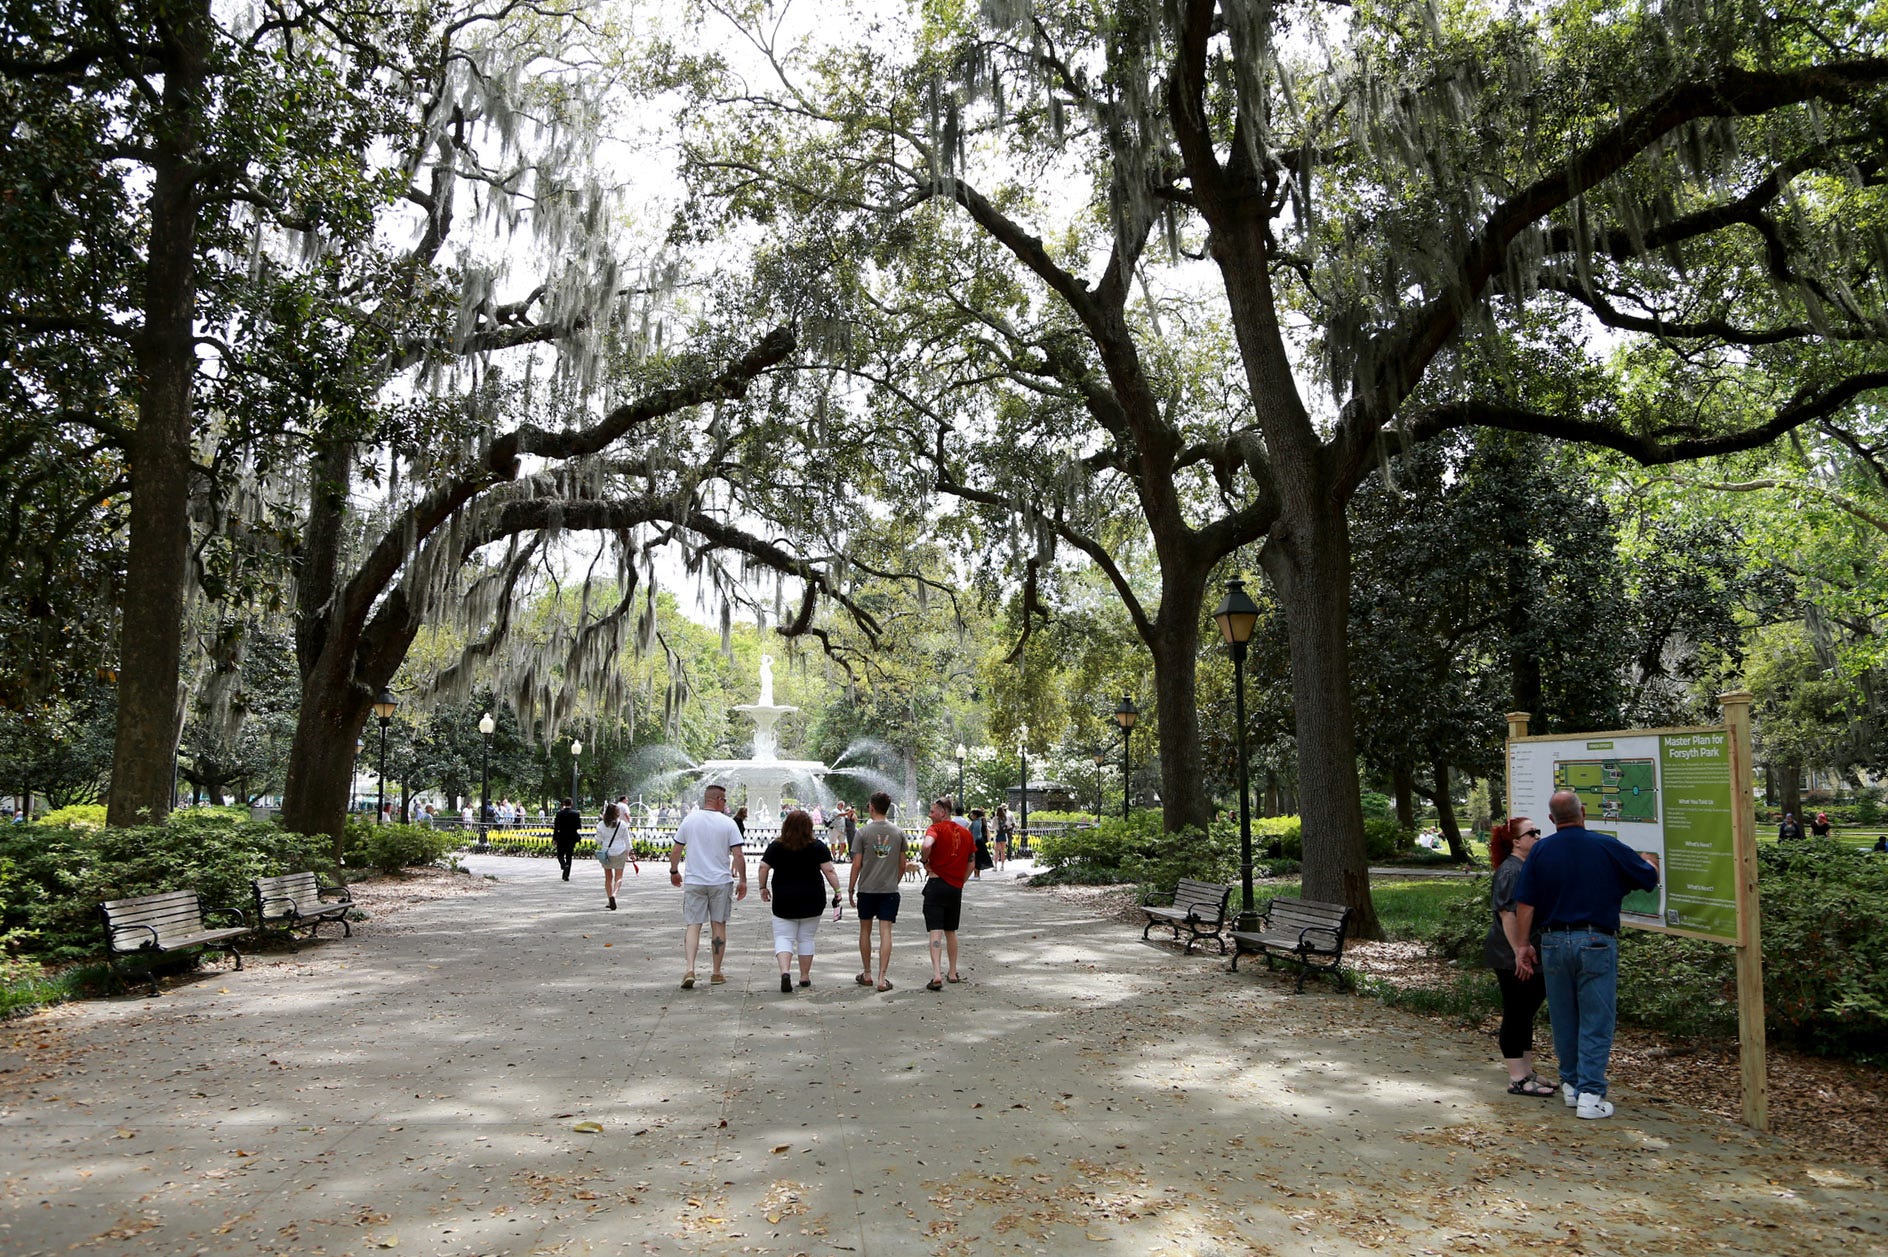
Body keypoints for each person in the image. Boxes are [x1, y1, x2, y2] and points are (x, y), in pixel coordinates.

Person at [1512, 790, 1661, 1120]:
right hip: (1595, 940)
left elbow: (1525, 904)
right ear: (1584, 812)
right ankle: (1591, 1096)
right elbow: (1648, 876)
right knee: (1596, 1018)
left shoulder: (1541, 851)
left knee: (1564, 1018)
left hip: (1551, 943)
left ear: (1552, 820)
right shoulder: (1605, 845)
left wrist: (1523, 946)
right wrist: (1650, 860)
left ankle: (1571, 1086)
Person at [1485, 816, 1553, 1096]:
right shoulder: (1511, 871)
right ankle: (1517, 1078)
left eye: (1538, 832)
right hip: (1510, 953)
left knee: (1526, 1011)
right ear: (1516, 841)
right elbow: (1507, 914)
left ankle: (1527, 1071)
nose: (1538, 836)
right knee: (1516, 1011)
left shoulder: (1526, 867)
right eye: (1532, 833)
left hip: (1527, 952)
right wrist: (1518, 952)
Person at [668, 783, 747, 988]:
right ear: (718, 800)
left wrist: (674, 871)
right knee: (718, 925)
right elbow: (738, 854)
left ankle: (690, 968)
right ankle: (716, 972)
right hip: (720, 881)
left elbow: (676, 850)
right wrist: (743, 880)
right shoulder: (728, 823)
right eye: (725, 800)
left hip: (695, 881)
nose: (726, 805)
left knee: (693, 924)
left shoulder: (690, 820)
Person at [758, 809, 843, 992]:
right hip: (812, 899)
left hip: (783, 899)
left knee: (783, 937)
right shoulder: (817, 846)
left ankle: (785, 972)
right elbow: (829, 871)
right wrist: (837, 890)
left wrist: (762, 887)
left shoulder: (776, 846)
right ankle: (804, 977)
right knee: (806, 938)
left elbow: (763, 867)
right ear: (809, 827)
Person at [847, 791, 908, 992]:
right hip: (889, 890)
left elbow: (856, 864)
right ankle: (882, 977)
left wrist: (850, 887)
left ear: (871, 807)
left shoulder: (862, 833)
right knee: (886, 931)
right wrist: (894, 882)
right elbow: (902, 865)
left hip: (867, 889)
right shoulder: (898, 833)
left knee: (865, 930)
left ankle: (867, 973)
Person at [919, 795, 976, 991]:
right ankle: (952, 972)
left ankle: (936, 974)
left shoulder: (935, 829)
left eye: (932, 811)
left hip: (936, 885)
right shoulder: (965, 833)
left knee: (935, 929)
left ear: (943, 812)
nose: (929, 814)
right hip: (955, 888)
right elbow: (972, 862)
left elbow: (927, 845)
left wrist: (925, 861)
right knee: (951, 930)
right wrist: (961, 881)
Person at [595, 802, 633, 910]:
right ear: (617, 813)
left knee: (608, 878)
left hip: (606, 853)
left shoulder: (601, 825)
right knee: (619, 877)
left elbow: (598, 840)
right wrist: (630, 851)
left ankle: (609, 899)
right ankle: (614, 895)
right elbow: (627, 840)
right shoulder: (622, 825)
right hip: (620, 852)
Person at [552, 797, 583, 881]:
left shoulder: (559, 814)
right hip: (572, 837)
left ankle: (563, 865)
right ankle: (566, 875)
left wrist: (554, 838)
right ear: (571, 803)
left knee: (560, 855)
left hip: (561, 836)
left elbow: (556, 827)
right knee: (569, 856)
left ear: (564, 804)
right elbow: (578, 826)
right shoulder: (576, 814)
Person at [967, 808, 993, 879]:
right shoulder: (978, 821)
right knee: (977, 858)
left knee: (976, 858)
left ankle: (976, 874)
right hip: (979, 841)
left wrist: (973, 842)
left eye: (972, 814)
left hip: (976, 842)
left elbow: (975, 833)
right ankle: (976, 874)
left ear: (975, 815)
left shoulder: (976, 822)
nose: (971, 815)